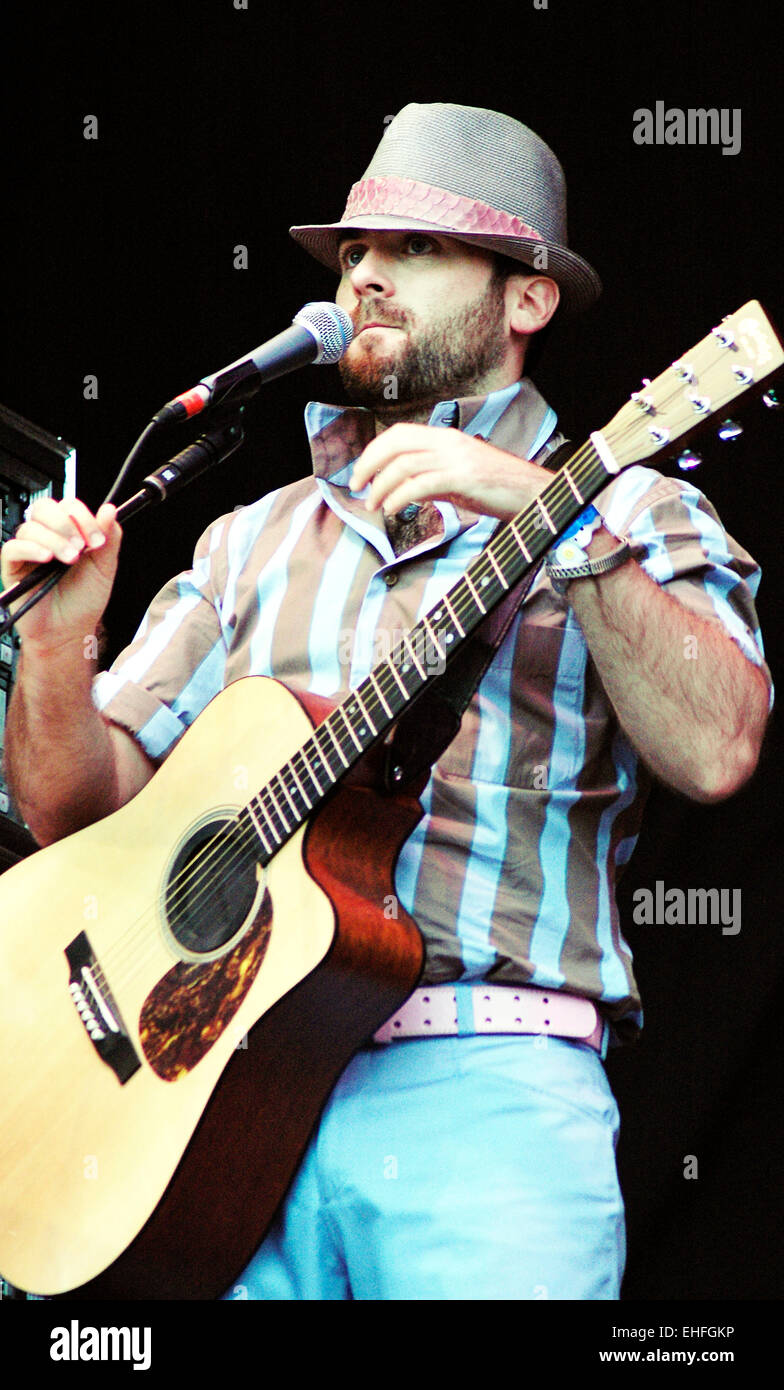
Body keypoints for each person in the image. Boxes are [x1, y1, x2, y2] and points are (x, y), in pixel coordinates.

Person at [1, 103, 771, 1301]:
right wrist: (56, 648)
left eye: (414, 248)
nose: (363, 273)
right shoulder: (248, 539)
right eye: (354, 250)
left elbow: (719, 746)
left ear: (528, 299)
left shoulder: (637, 515)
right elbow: (70, 810)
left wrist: (546, 509)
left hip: (487, 1089)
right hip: (214, 1095)